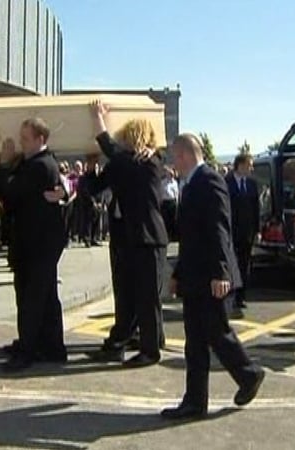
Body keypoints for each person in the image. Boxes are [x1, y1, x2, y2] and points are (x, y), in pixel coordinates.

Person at [162, 133, 264, 420]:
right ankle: (195, 401)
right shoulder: (192, 182)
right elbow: (190, 236)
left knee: (217, 333)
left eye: (175, 156)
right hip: (195, 275)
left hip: (210, 275)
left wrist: (221, 272)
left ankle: (249, 374)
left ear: (184, 155)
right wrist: (178, 274)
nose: (173, 162)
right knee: (195, 339)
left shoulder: (209, 180)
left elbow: (220, 228)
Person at [87, 101, 168, 368]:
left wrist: (98, 119)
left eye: (124, 137)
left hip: (147, 239)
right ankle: (118, 343)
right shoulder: (125, 164)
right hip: (126, 239)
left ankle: (151, 349)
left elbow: (112, 151)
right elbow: (95, 187)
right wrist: (90, 168)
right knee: (126, 295)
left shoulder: (149, 162)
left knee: (147, 297)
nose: (120, 141)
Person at [0, 118, 68, 371]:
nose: (21, 143)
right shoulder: (31, 163)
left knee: (31, 297)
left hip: (39, 242)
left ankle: (28, 350)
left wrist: (3, 165)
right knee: (43, 296)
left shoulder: (40, 166)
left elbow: (9, 193)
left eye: (25, 139)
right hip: (35, 240)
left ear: (40, 139)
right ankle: (50, 346)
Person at [226, 154, 260, 313]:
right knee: (230, 263)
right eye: (249, 165)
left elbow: (256, 209)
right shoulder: (226, 182)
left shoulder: (252, 184)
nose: (251, 169)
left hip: (247, 232)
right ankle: (229, 294)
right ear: (240, 165)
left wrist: (257, 230)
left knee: (244, 264)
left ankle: (240, 297)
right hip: (230, 231)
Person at [161, 166, 179, 241]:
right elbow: (161, 192)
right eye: (169, 174)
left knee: (173, 219)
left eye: (171, 174)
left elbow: (176, 193)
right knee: (166, 219)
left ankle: (173, 236)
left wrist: (177, 202)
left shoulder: (174, 183)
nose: (170, 175)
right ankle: (167, 235)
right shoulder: (163, 182)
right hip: (165, 202)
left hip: (172, 202)